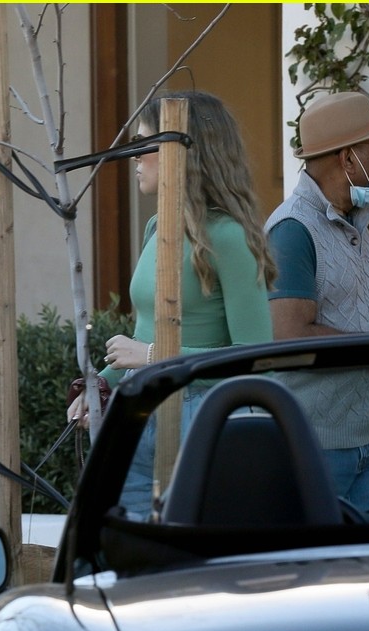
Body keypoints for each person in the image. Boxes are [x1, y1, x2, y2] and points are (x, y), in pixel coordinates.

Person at [68, 90, 275, 516]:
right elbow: (145, 335)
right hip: (137, 414)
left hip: (199, 422)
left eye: (145, 146)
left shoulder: (229, 238)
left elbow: (256, 359)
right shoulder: (156, 227)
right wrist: (99, 386)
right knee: (125, 560)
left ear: (186, 154)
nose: (135, 158)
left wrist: (150, 356)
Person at [265, 91, 369, 511]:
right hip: (317, 448)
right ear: (348, 160)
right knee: (322, 574)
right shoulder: (293, 230)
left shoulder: (356, 222)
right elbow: (289, 335)